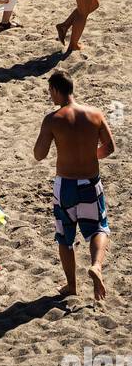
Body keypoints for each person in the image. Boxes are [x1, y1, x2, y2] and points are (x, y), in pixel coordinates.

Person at [33, 70, 113, 302]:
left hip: (65, 185)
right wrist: (90, 156)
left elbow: (39, 155)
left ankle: (71, 285)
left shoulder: (53, 119)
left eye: (50, 92)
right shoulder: (95, 114)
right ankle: (96, 265)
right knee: (99, 228)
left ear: (57, 90)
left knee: (65, 237)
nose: (50, 97)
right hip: (90, 182)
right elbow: (109, 147)